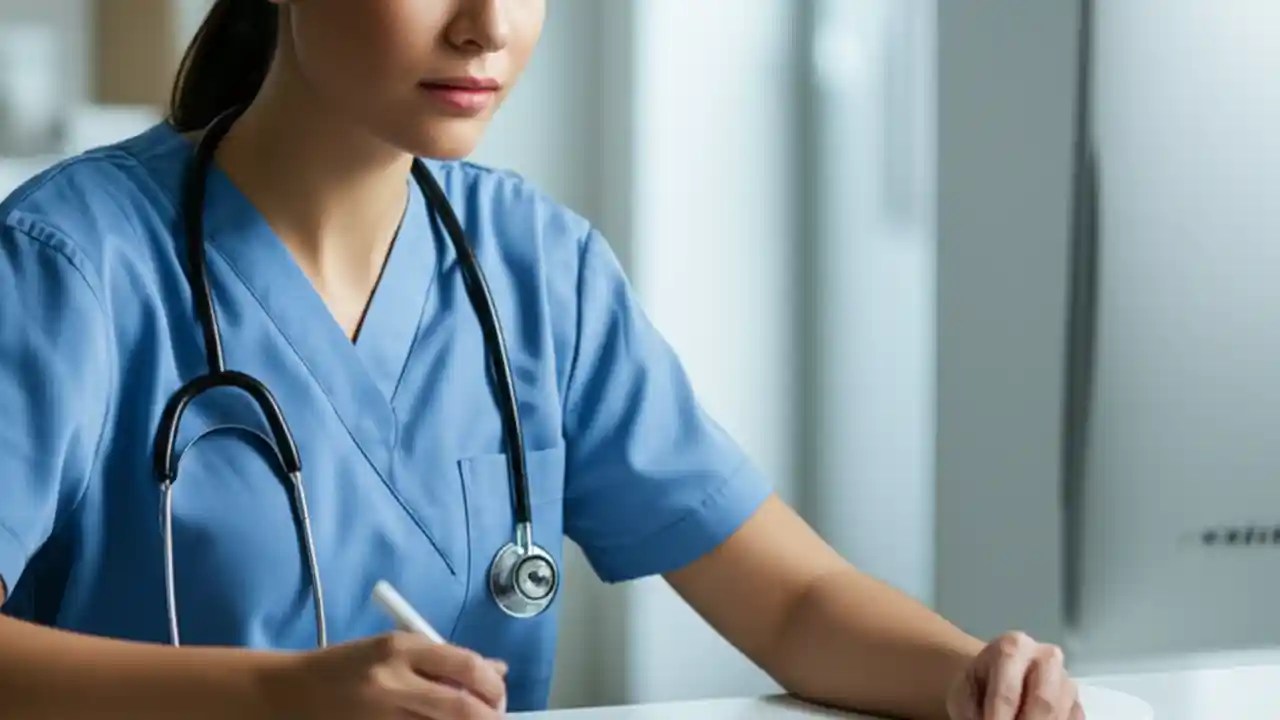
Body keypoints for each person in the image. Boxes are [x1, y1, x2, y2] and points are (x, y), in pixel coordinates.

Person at [0, 1, 1082, 719]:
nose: (488, 27)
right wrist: (282, 698)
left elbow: (790, 601)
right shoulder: (73, 264)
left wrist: (972, 679)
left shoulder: (533, 266)